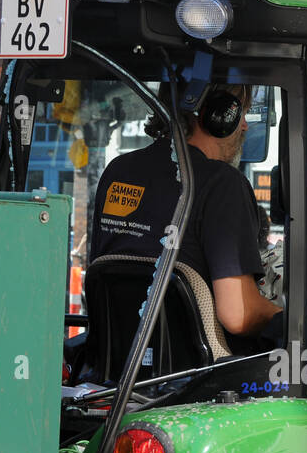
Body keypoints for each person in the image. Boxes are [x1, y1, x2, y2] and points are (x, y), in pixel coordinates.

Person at [89, 82, 281, 342]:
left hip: (115, 369)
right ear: (217, 114)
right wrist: (285, 315)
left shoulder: (117, 171)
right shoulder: (222, 183)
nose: (245, 126)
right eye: (241, 113)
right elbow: (238, 315)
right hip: (192, 375)